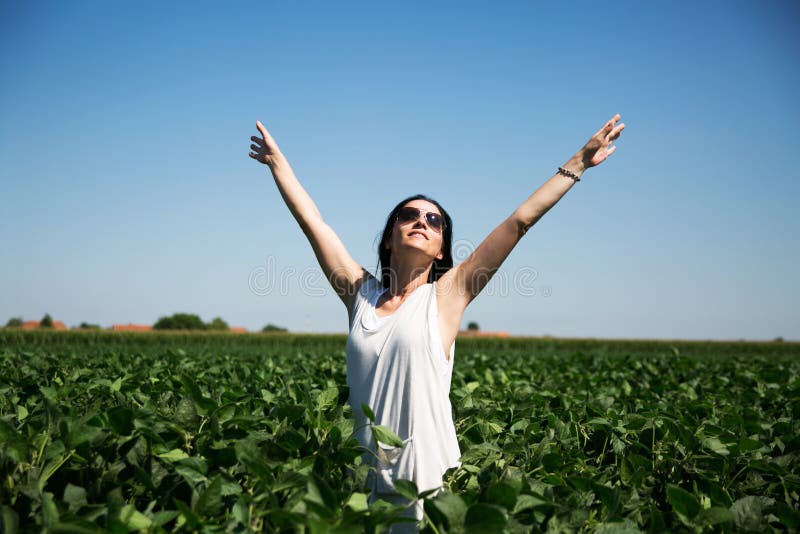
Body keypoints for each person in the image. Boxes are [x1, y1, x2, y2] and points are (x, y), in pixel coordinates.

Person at [248, 115, 625, 531]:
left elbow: (519, 223)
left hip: (427, 495)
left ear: (443, 248)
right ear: (389, 237)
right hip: (362, 489)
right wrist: (279, 167)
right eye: (409, 215)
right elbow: (313, 223)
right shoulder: (360, 295)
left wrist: (578, 162)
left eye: (434, 221)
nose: (421, 222)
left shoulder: (447, 296)